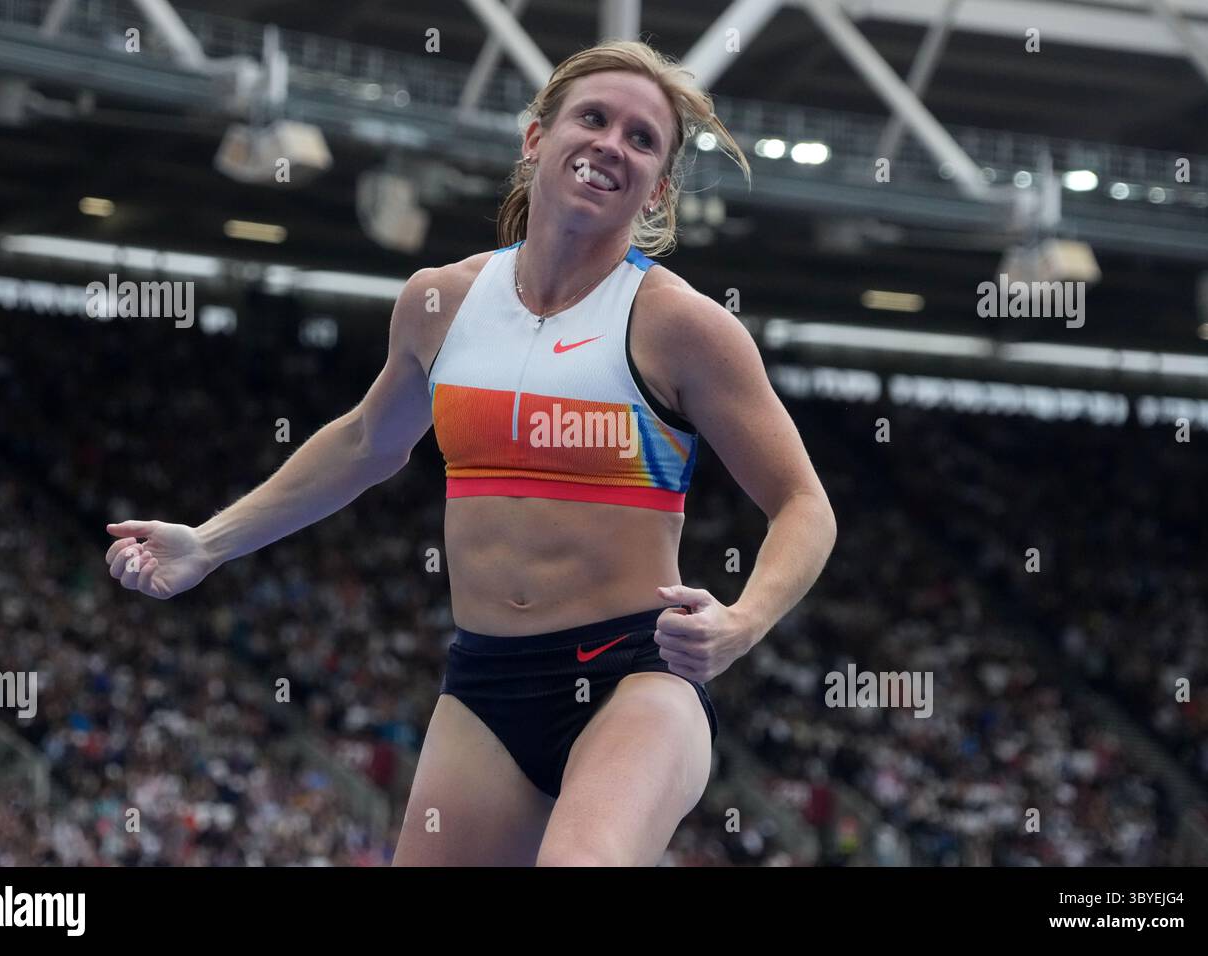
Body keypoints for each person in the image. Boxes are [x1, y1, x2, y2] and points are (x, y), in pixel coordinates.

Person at [104, 39, 837, 866]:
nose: (610, 145)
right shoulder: (439, 302)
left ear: (659, 187)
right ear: (535, 139)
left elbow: (805, 505)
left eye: (641, 139)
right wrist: (208, 542)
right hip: (487, 686)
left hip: (636, 676)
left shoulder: (683, 327)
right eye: (592, 118)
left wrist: (743, 622)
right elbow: (362, 444)